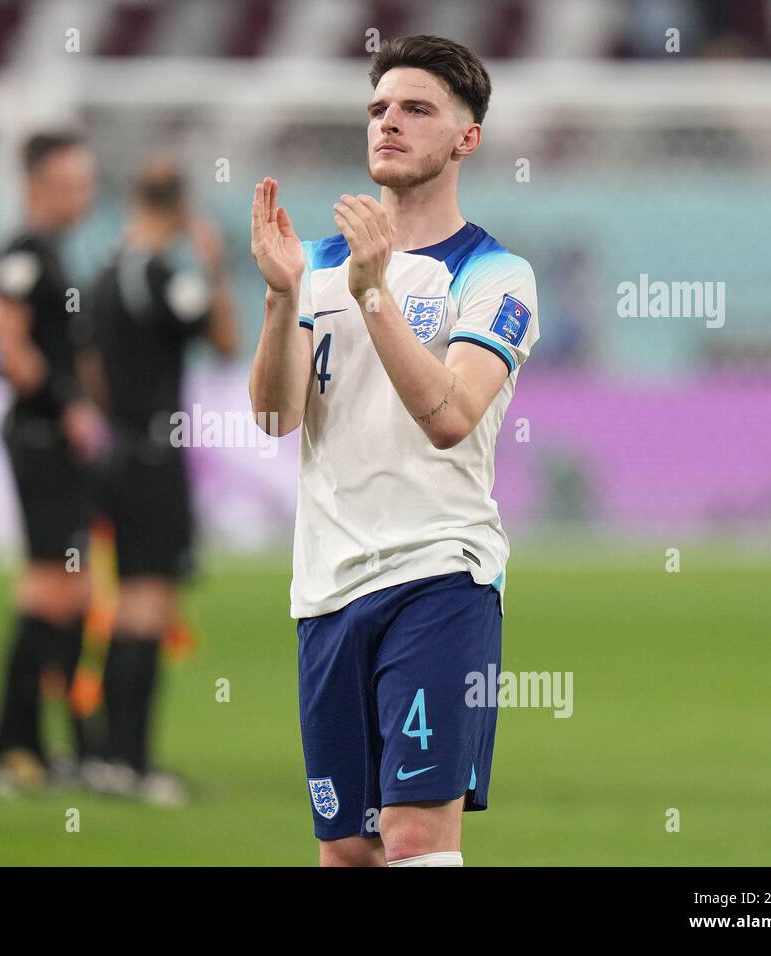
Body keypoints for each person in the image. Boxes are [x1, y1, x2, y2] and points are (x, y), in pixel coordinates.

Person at [248, 35, 539, 866]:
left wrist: (375, 291)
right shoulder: (319, 269)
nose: (389, 123)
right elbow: (272, 419)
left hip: (438, 575)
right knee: (346, 850)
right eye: (379, 108)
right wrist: (278, 300)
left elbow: (449, 415)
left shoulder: (494, 274)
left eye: (416, 109)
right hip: (326, 587)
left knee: (414, 837)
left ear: (466, 138)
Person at [82, 156, 238, 805]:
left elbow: (88, 366)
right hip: (153, 454)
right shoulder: (164, 276)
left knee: (125, 604)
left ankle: (107, 756)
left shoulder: (102, 272)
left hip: (115, 449)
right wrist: (215, 266)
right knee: (150, 604)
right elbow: (227, 345)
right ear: (179, 209)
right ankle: (133, 763)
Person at [0, 131, 103, 793]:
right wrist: (63, 404)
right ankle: (5, 748)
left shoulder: (54, 254)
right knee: (50, 588)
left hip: (52, 444)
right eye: (72, 181)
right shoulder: (23, 253)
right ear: (37, 186)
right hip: (37, 441)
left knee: (71, 591)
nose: (85, 193)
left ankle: (35, 744)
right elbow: (0, 334)